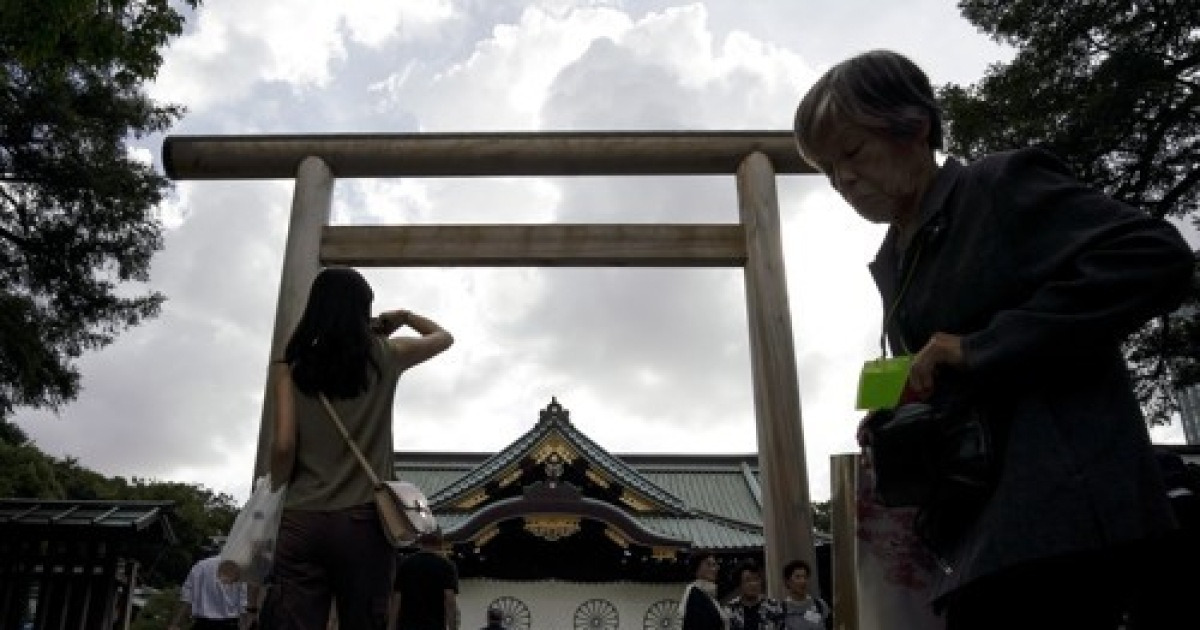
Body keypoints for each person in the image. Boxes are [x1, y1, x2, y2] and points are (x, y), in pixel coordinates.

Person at [792, 49, 1194, 630]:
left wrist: (979, 346)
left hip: (1063, 517)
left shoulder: (997, 185)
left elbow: (1155, 256)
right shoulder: (896, 258)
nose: (843, 180)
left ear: (914, 123)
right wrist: (899, 409)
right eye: (828, 170)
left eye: (851, 152)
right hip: (976, 532)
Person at [263, 267, 454, 630]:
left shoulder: (290, 368)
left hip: (302, 517)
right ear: (363, 309)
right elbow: (443, 337)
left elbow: (284, 444)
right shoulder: (386, 356)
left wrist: (277, 494)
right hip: (363, 520)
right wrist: (403, 317)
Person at [392, 528, 460, 630]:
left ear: (421, 542)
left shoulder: (405, 564)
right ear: (440, 543)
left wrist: (391, 626)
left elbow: (396, 599)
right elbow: (449, 600)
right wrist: (452, 627)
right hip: (434, 625)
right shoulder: (446, 565)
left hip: (407, 625)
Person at [168, 551, 250, 630]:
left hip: (203, 624)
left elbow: (186, 597)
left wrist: (175, 624)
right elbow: (243, 604)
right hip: (229, 624)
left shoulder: (202, 565)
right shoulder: (242, 569)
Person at [726, 560, 783, 630]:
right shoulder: (731, 609)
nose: (753, 584)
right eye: (748, 580)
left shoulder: (774, 606)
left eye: (756, 579)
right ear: (739, 584)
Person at [679, 553, 728, 630]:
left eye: (715, 565)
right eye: (709, 565)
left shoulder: (708, 594)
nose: (714, 569)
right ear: (696, 569)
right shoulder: (694, 593)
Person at [779, 559, 829, 630]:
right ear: (788, 581)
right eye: (798, 577)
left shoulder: (820, 605)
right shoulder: (781, 609)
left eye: (805, 577)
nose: (803, 581)